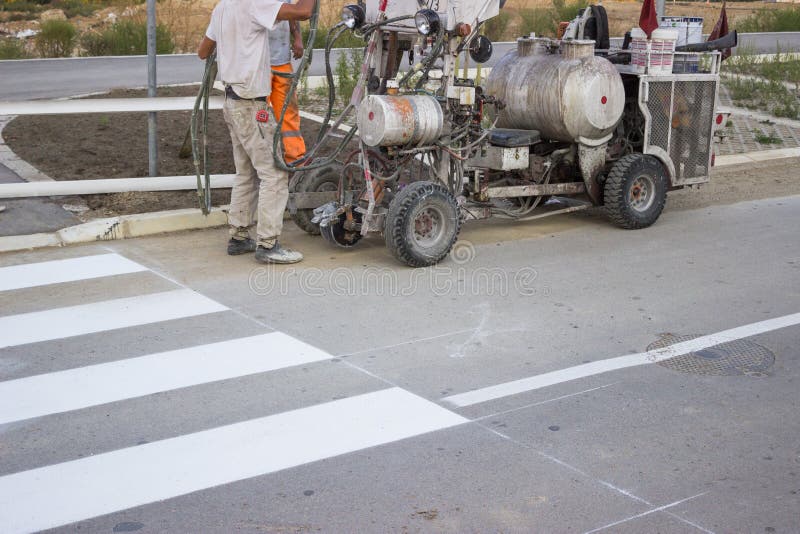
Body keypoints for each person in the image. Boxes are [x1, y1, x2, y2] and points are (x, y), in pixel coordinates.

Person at [197, 0, 316, 264]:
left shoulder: (222, 7)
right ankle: (268, 243)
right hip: (252, 105)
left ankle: (239, 236)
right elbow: (303, 12)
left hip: (231, 101)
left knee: (246, 172)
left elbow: (203, 51)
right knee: (274, 173)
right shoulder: (254, 3)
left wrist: (232, 45)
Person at [269, 3, 307, 163]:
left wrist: (297, 37)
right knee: (259, 115)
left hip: (282, 62)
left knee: (288, 113)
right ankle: (262, 160)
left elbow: (293, 13)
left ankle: (295, 158)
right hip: (258, 63)